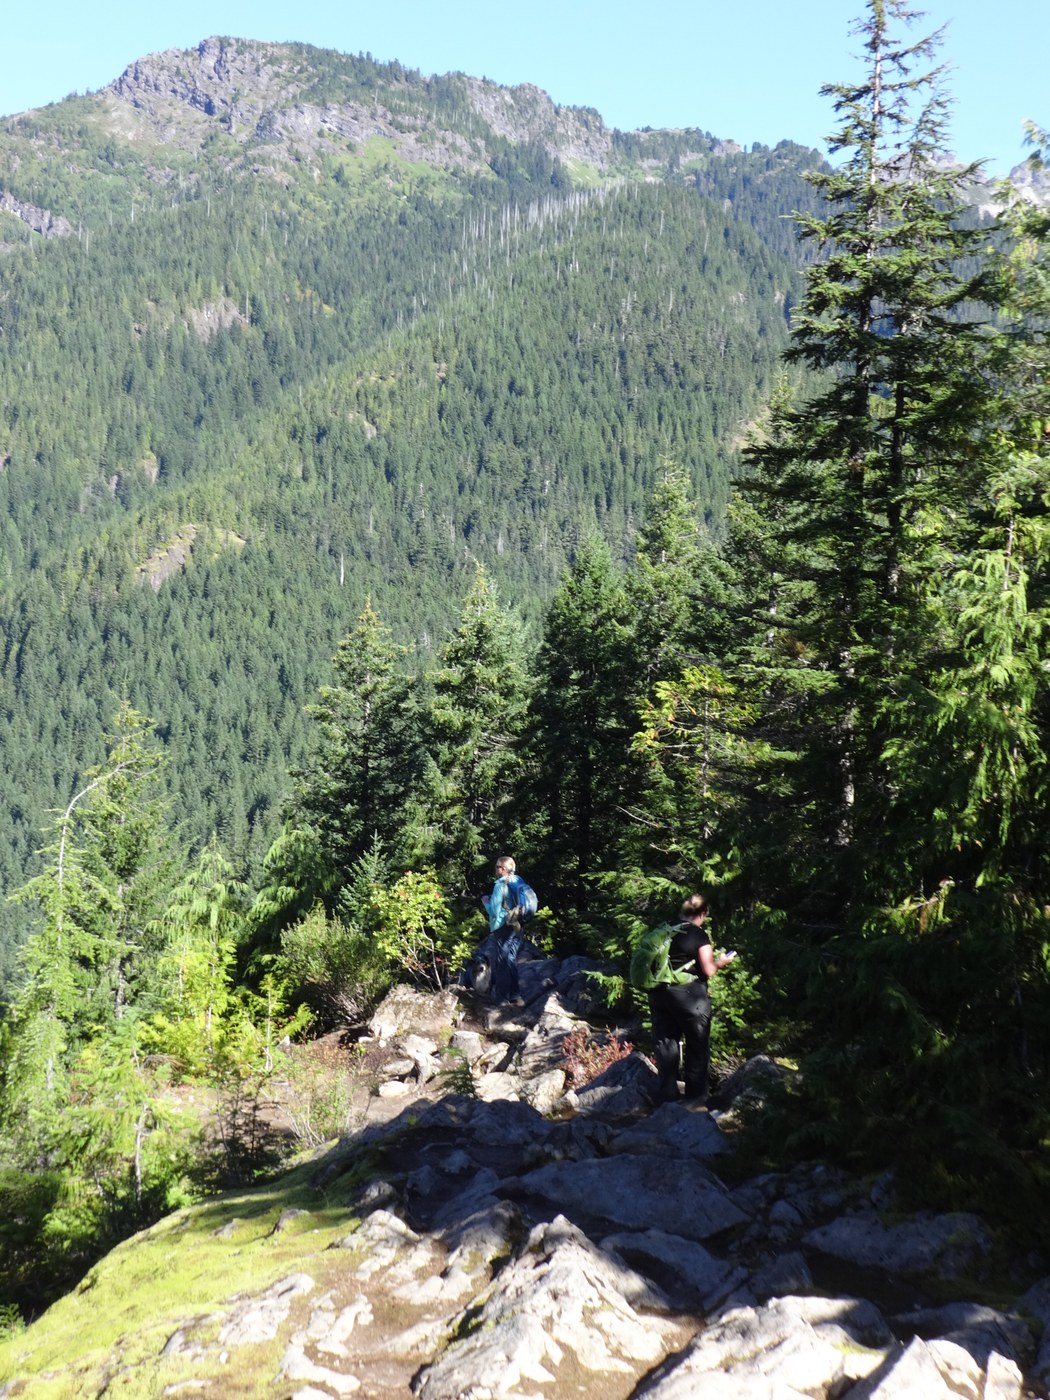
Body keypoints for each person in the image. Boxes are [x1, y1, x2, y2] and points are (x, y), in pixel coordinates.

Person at [647, 892, 735, 1106]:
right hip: (689, 996)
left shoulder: (664, 928)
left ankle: (667, 1097)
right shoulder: (698, 935)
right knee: (697, 1044)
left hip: (659, 993)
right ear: (703, 913)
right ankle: (696, 1098)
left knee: (666, 1042)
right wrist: (722, 962)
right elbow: (708, 969)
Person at [474, 855, 528, 1001]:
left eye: (498, 867)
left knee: (502, 961)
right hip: (517, 925)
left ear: (503, 869)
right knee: (510, 959)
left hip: (503, 926)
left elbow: (494, 911)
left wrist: (486, 902)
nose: (496, 870)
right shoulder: (518, 881)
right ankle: (516, 996)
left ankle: (502, 998)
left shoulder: (500, 885)